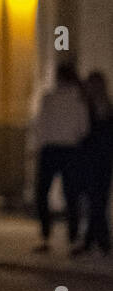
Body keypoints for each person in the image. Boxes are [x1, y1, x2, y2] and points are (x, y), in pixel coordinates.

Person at [32, 61, 90, 253]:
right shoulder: (78, 100)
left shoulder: (49, 98)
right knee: (71, 195)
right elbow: (84, 129)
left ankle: (45, 236)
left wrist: (37, 148)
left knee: (43, 193)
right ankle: (72, 238)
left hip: (51, 150)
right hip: (70, 150)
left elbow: (39, 126)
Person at [76, 71, 113, 256]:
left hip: (101, 160)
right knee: (94, 200)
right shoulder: (86, 107)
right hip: (91, 159)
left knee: (98, 200)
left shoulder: (103, 108)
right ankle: (97, 240)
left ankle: (98, 240)